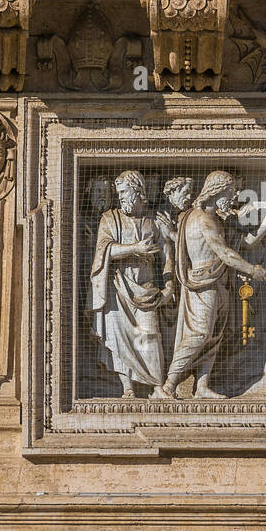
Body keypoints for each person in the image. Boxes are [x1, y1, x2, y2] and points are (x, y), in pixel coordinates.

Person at [154, 170, 266, 400]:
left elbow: (243, 244)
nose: (233, 197)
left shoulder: (216, 220)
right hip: (203, 283)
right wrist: (252, 270)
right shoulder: (201, 218)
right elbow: (225, 253)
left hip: (220, 283)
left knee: (215, 336)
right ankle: (169, 384)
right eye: (230, 192)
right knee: (200, 333)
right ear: (216, 191)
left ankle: (201, 386)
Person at [89, 170, 167, 398]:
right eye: (119, 193)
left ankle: (157, 386)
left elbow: (168, 257)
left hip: (146, 289)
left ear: (138, 191)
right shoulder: (109, 219)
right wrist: (135, 249)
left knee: (150, 335)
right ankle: (128, 389)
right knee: (119, 338)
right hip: (117, 288)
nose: (121, 197)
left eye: (124, 192)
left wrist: (170, 286)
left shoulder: (154, 221)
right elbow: (105, 250)